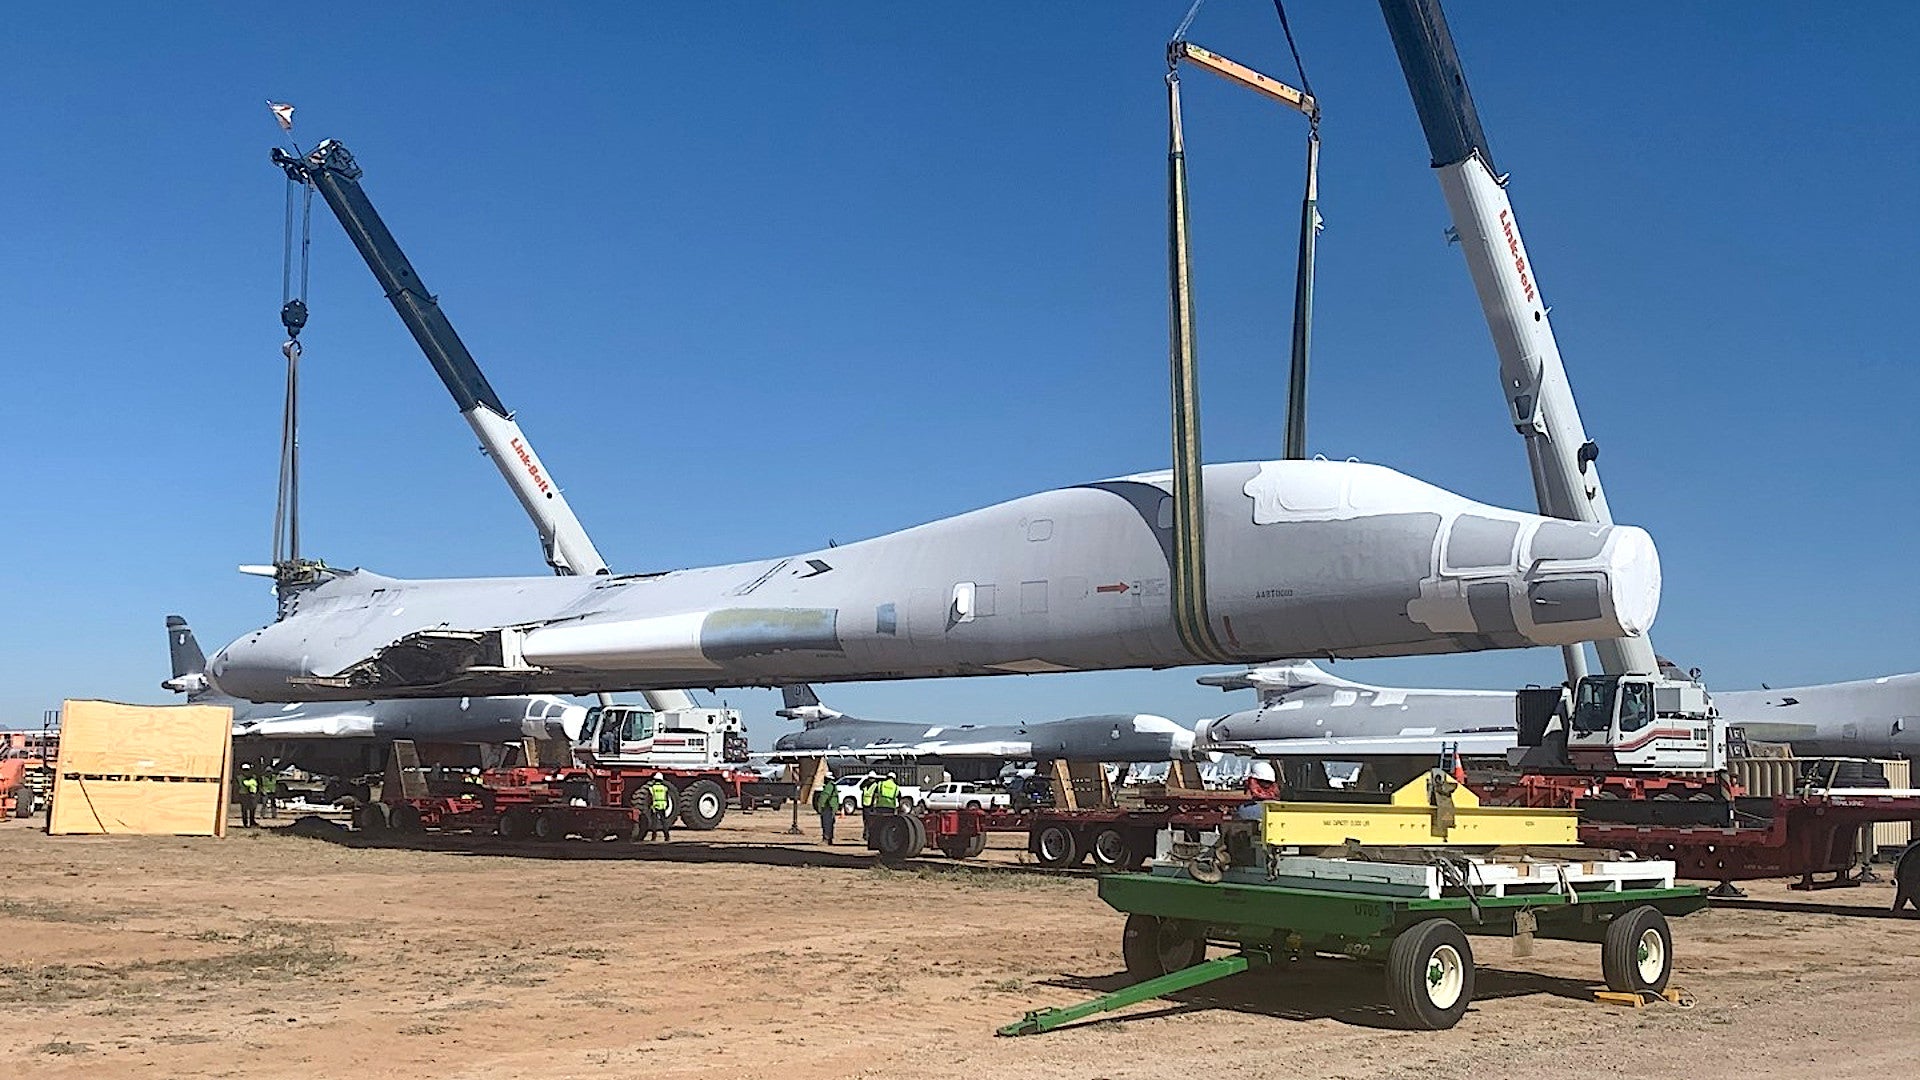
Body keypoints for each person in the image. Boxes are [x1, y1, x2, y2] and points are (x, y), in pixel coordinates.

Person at [643, 773, 673, 841]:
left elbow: (650, 798)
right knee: (664, 822)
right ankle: (667, 837)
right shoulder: (664, 788)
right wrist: (666, 805)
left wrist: (649, 806)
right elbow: (666, 797)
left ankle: (654, 837)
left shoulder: (652, 788)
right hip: (663, 805)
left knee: (654, 822)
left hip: (655, 806)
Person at [812, 773, 839, 845]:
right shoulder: (830, 785)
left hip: (828, 807)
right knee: (829, 824)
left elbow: (825, 796)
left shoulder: (829, 786)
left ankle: (826, 839)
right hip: (830, 807)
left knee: (826, 823)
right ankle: (829, 839)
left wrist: (820, 806)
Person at [236, 763, 259, 828]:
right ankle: (246, 823)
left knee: (252, 809)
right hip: (243, 794)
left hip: (250, 794)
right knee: (244, 809)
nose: (246, 771)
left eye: (247, 770)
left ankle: (251, 822)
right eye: (245, 770)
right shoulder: (240, 777)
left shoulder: (252, 776)